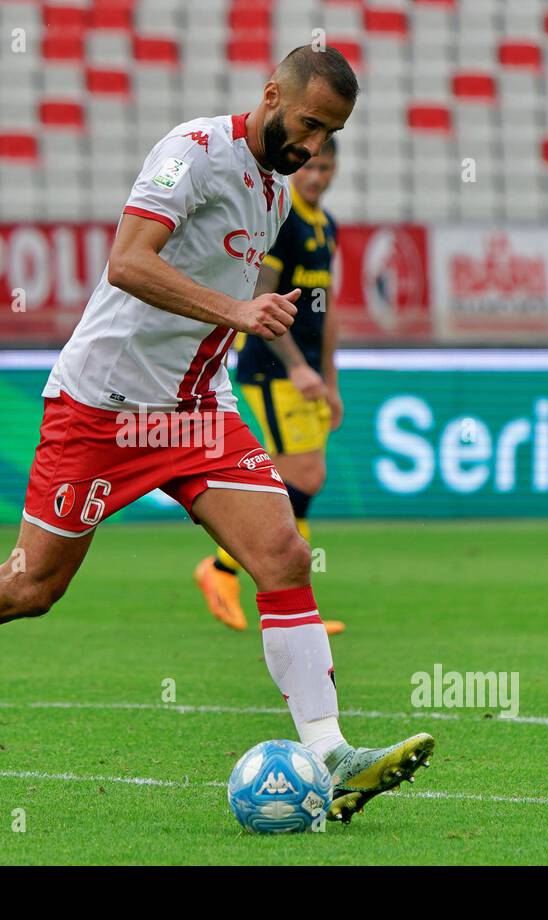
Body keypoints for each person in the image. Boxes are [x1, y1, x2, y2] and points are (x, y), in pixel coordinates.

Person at [0, 48, 433, 824]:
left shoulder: (275, 195)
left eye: (328, 135)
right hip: (102, 408)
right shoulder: (191, 153)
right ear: (271, 96)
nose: (313, 146)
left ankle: (331, 756)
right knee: (30, 586)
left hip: (194, 411)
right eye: (308, 125)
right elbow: (127, 264)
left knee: (284, 554)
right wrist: (239, 315)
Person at [194, 137, 346, 634]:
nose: (316, 176)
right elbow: (263, 295)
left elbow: (327, 311)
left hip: (304, 372)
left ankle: (294, 606)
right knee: (304, 477)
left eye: (325, 167)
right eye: (310, 165)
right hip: (272, 365)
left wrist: (330, 378)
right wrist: (299, 367)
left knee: (293, 480)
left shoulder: (327, 228)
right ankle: (221, 571)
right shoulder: (285, 222)